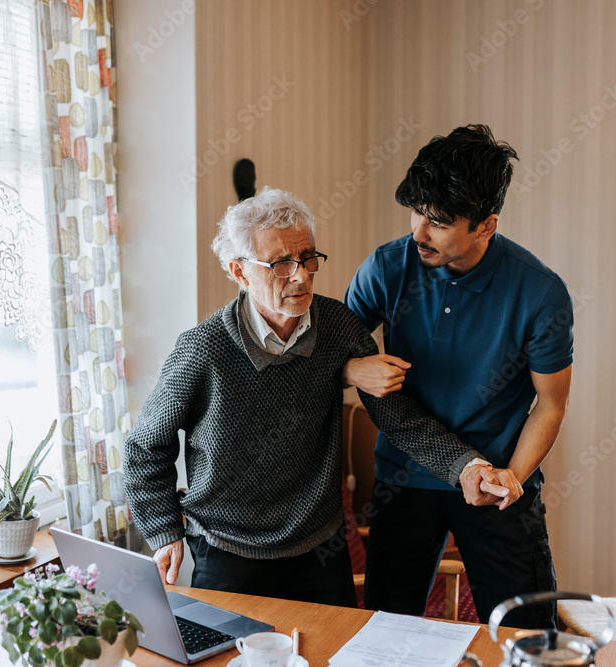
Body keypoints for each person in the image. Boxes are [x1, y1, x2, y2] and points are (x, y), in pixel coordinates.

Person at [124, 187, 481, 607]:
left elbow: (399, 417)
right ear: (240, 271)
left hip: (318, 550)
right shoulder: (203, 351)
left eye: (308, 257)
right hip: (227, 550)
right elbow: (146, 446)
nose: (301, 274)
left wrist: (466, 466)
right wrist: (164, 530)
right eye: (280, 263)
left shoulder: (338, 328)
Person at [343, 125, 573, 628]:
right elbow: (325, 353)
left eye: (440, 222)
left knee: (527, 635)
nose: (418, 233)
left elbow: (550, 405)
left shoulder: (539, 293)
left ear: (486, 225)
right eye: (417, 212)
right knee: (386, 631)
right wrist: (350, 366)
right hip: (404, 478)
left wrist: (512, 475)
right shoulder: (386, 267)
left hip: (498, 479)